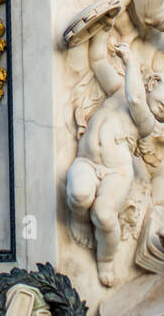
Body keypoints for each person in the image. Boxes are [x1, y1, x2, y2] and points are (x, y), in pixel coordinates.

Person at [66, 26, 164, 286]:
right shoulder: (118, 89)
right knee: (78, 194)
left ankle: (106, 260)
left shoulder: (146, 121)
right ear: (154, 83)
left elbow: (135, 98)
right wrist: (102, 26)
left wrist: (130, 60)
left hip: (118, 172)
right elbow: (98, 61)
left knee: (104, 215)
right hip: (86, 161)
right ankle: (78, 220)